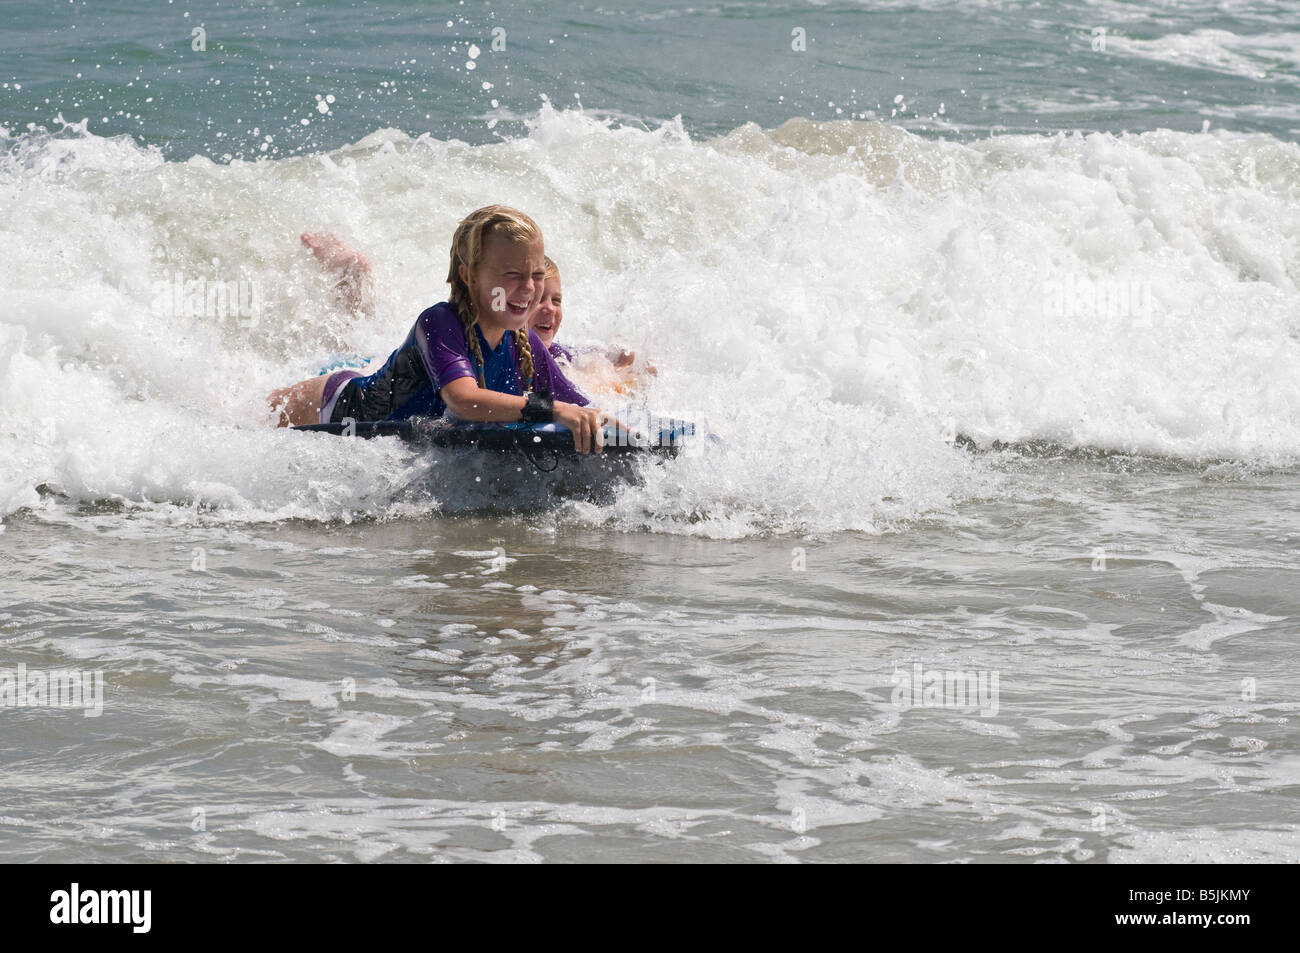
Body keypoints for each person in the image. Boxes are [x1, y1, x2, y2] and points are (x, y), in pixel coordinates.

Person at [268, 205, 609, 454]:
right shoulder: (439, 323)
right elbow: (464, 401)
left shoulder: (526, 343)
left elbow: (582, 406)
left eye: (536, 275)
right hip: (331, 403)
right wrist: (554, 410)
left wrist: (627, 431)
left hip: (391, 395)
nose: (529, 288)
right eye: (512, 275)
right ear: (469, 275)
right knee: (248, 422)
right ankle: (353, 271)